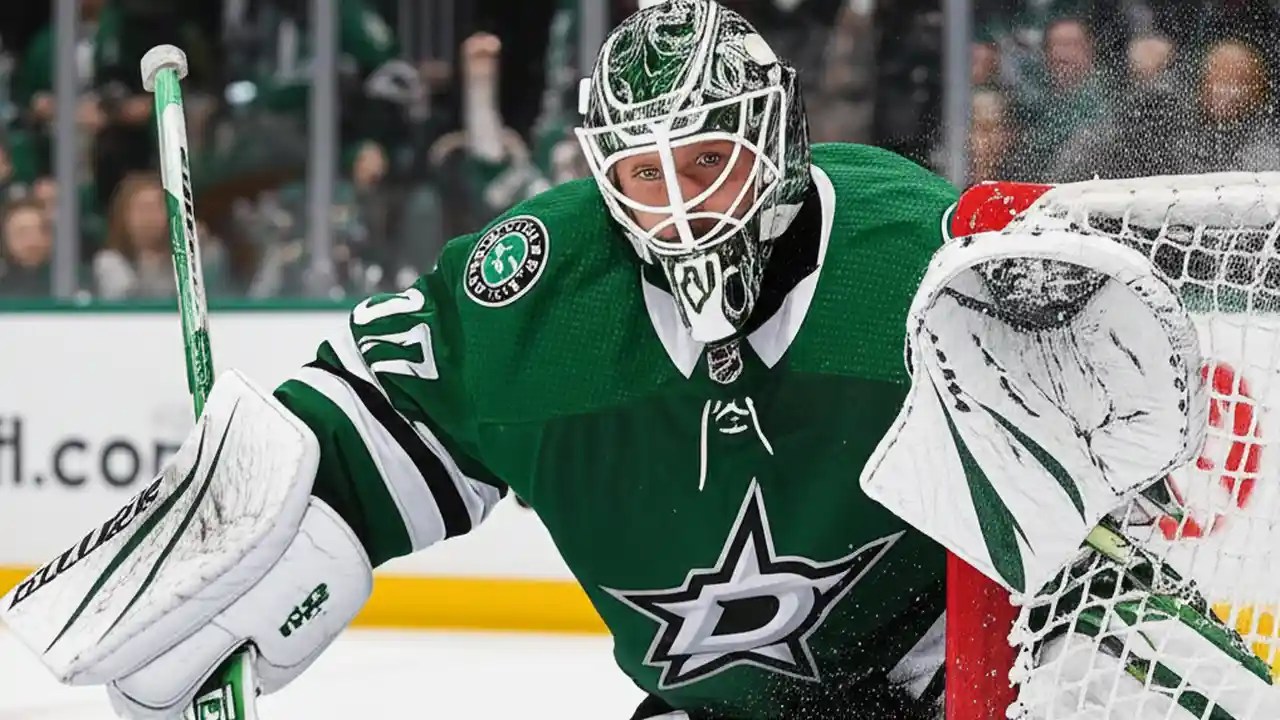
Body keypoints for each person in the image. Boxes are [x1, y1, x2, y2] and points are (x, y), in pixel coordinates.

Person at [3, 1, 948, 718]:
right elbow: (373, 423)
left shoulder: (911, 253)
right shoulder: (541, 292)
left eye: (706, 162)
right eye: (642, 175)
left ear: (774, 139)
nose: (680, 207)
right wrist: (264, 519)